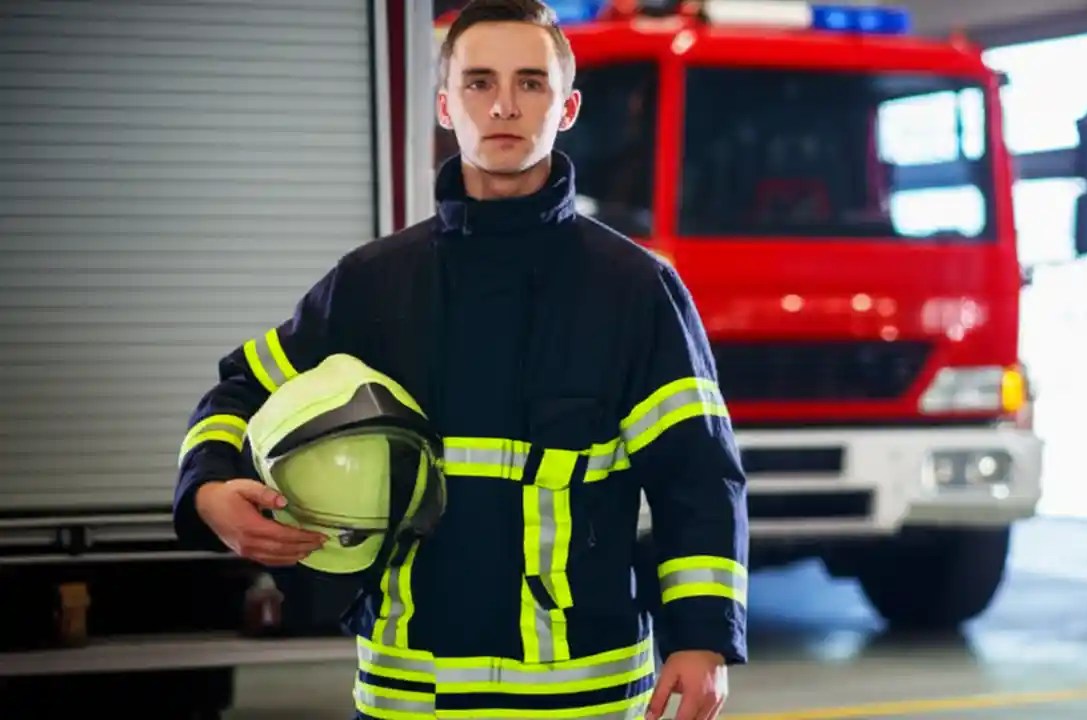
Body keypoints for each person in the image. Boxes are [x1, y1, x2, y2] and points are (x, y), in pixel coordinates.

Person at [172, 0, 749, 717]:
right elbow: (239, 393)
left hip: (579, 694)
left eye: (530, 83)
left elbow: (697, 476)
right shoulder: (372, 284)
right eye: (478, 83)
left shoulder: (636, 289)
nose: (504, 105)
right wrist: (209, 493)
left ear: (566, 107)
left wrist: (701, 639)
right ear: (445, 106)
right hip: (409, 694)